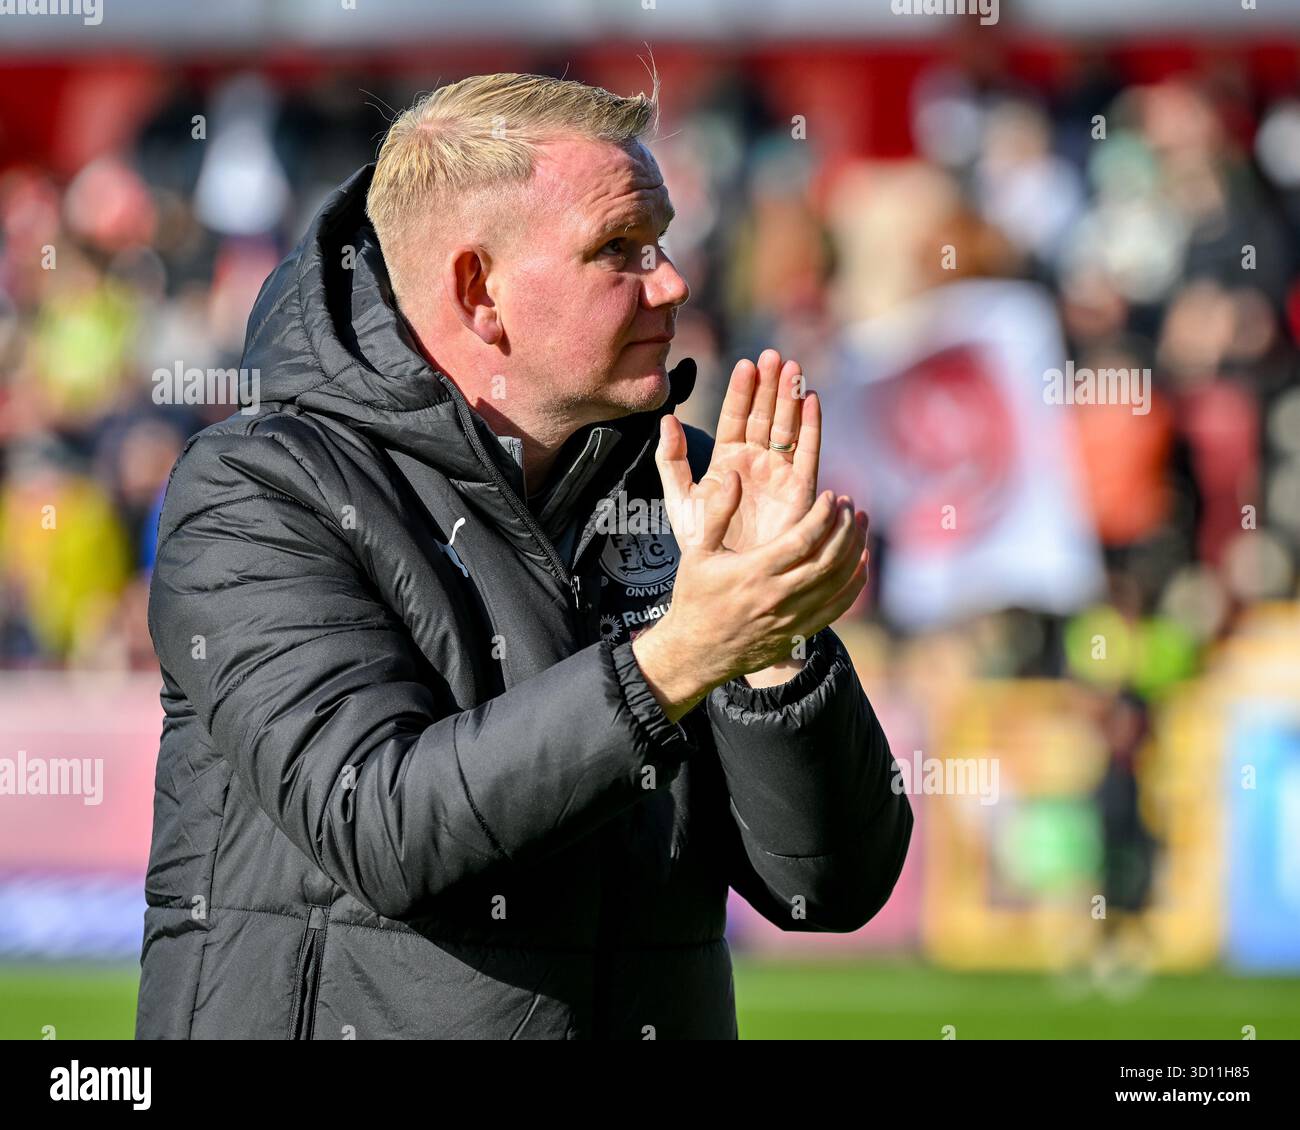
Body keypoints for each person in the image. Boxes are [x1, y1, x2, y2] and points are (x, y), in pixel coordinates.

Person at [135, 72, 912, 1040]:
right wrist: (684, 651)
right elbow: (382, 825)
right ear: (479, 290)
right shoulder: (259, 488)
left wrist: (773, 650)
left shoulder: (689, 487)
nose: (671, 279)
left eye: (662, 239)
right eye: (618, 248)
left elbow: (828, 890)